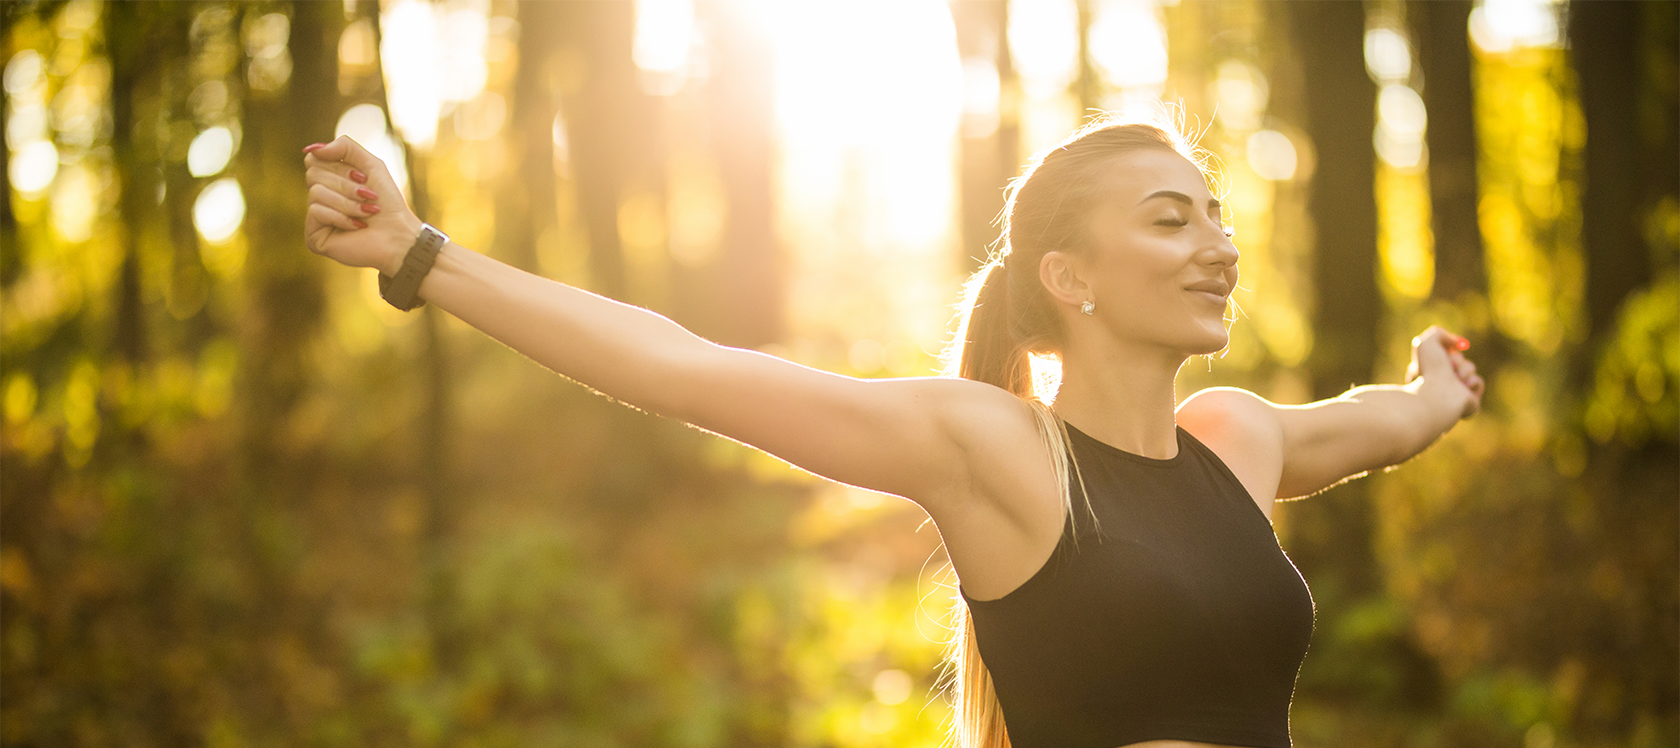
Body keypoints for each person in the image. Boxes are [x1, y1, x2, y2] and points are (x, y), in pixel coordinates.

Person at [301, 115, 1484, 748]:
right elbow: (684, 366)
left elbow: (1380, 422)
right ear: (1067, 275)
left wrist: (1440, 388)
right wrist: (420, 257)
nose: (1218, 244)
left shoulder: (1237, 440)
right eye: (1172, 221)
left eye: (1217, 216)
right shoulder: (998, 451)